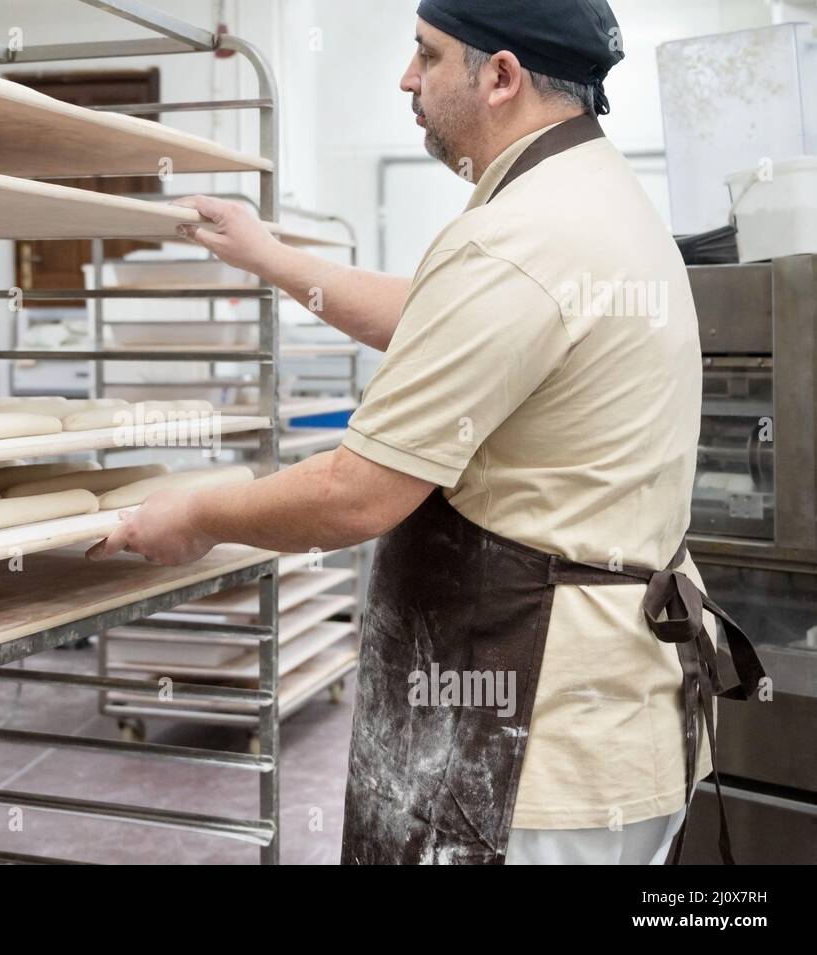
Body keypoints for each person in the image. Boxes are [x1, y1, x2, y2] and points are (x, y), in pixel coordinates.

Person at [87, 0, 764, 865]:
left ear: (502, 76)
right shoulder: (593, 195)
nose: (407, 78)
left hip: (530, 749)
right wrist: (269, 255)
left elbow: (355, 494)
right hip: (615, 722)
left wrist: (196, 513)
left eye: (427, 55)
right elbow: (442, 316)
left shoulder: (519, 237)